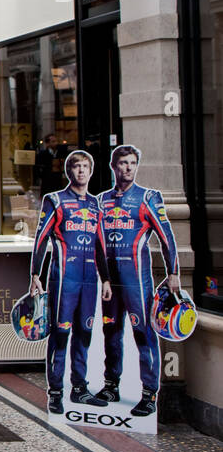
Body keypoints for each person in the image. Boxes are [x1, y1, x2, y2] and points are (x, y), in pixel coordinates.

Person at [96, 145, 180, 416]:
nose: (128, 168)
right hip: (109, 281)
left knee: (143, 332)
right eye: (122, 163)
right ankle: (111, 385)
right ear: (113, 166)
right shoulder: (101, 201)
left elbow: (167, 237)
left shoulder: (148, 198)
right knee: (110, 331)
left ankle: (149, 393)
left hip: (136, 279)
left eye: (132, 163)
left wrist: (173, 272)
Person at [30, 149, 114, 415]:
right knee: (61, 334)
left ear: (91, 171)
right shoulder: (54, 200)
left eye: (85, 167)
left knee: (85, 334)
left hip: (90, 281)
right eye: (76, 167)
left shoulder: (95, 205)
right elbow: (41, 239)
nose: (81, 171)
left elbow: (100, 245)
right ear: (69, 172)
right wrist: (35, 274)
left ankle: (79, 388)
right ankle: (55, 391)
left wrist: (107, 279)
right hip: (64, 279)